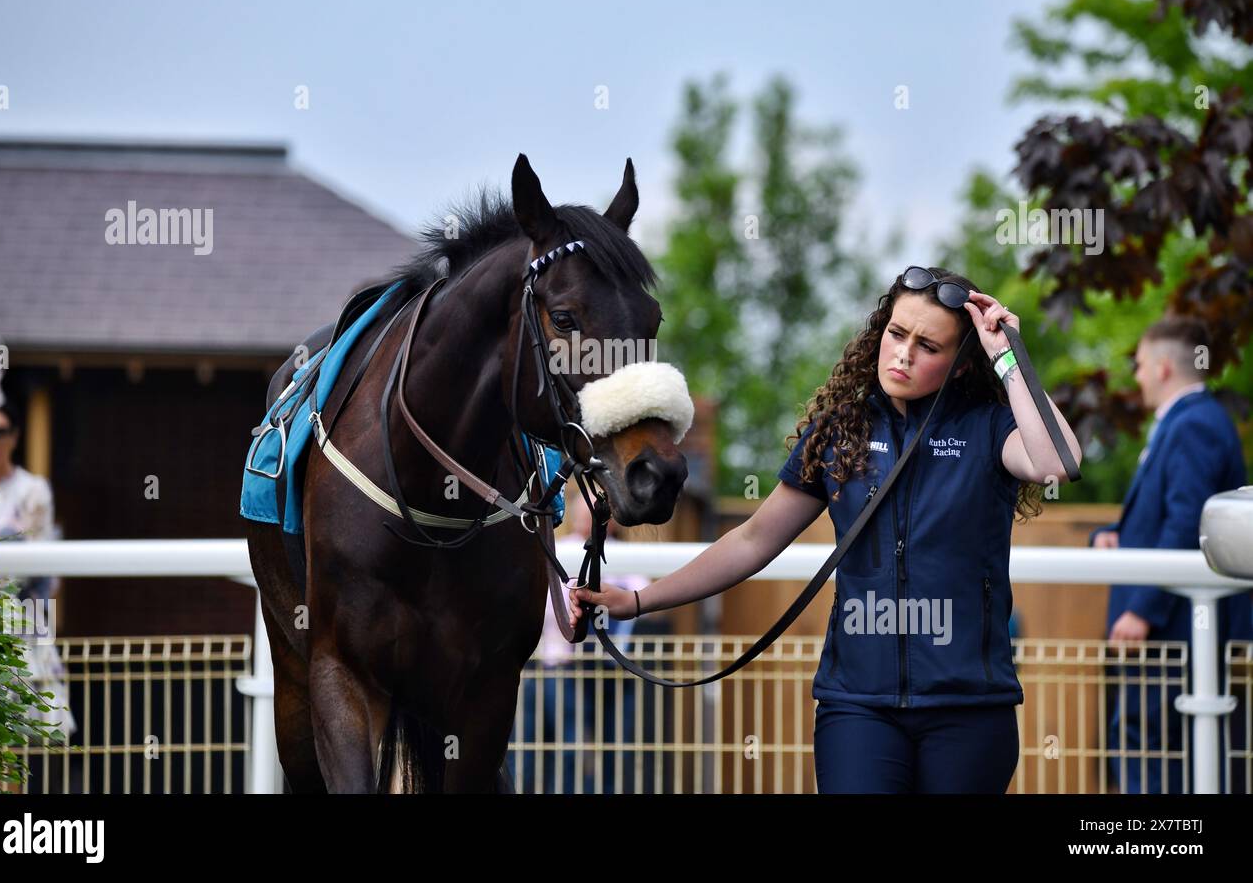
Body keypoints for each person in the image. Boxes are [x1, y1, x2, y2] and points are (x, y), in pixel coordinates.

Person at [571, 265, 1083, 793]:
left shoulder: (988, 427)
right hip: (858, 707)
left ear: (958, 364)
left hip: (970, 708)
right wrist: (637, 602)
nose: (904, 354)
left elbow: (1057, 463)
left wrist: (1008, 355)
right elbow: (751, 541)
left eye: (929, 346)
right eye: (897, 333)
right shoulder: (843, 429)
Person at [1091, 316, 1251, 794]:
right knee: (1155, 746)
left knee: (1151, 749)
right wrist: (1113, 534)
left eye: (1139, 365)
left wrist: (1142, 608)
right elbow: (1165, 515)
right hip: (1175, 631)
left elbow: (1187, 522)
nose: (1135, 376)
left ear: (1162, 368)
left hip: (1174, 630)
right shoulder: (1188, 422)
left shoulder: (1194, 424)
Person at [0, 395, 74, 741]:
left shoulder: (33, 490)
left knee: (26, 736)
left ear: (15, 436)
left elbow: (43, 571)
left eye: (1, 431)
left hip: (24, 624)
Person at [508, 486, 643, 792]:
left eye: (596, 512)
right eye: (585, 511)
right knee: (563, 742)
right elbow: (546, 603)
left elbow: (638, 597)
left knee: (613, 743)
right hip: (561, 662)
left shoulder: (626, 554)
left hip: (609, 666)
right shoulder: (563, 549)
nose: (590, 518)